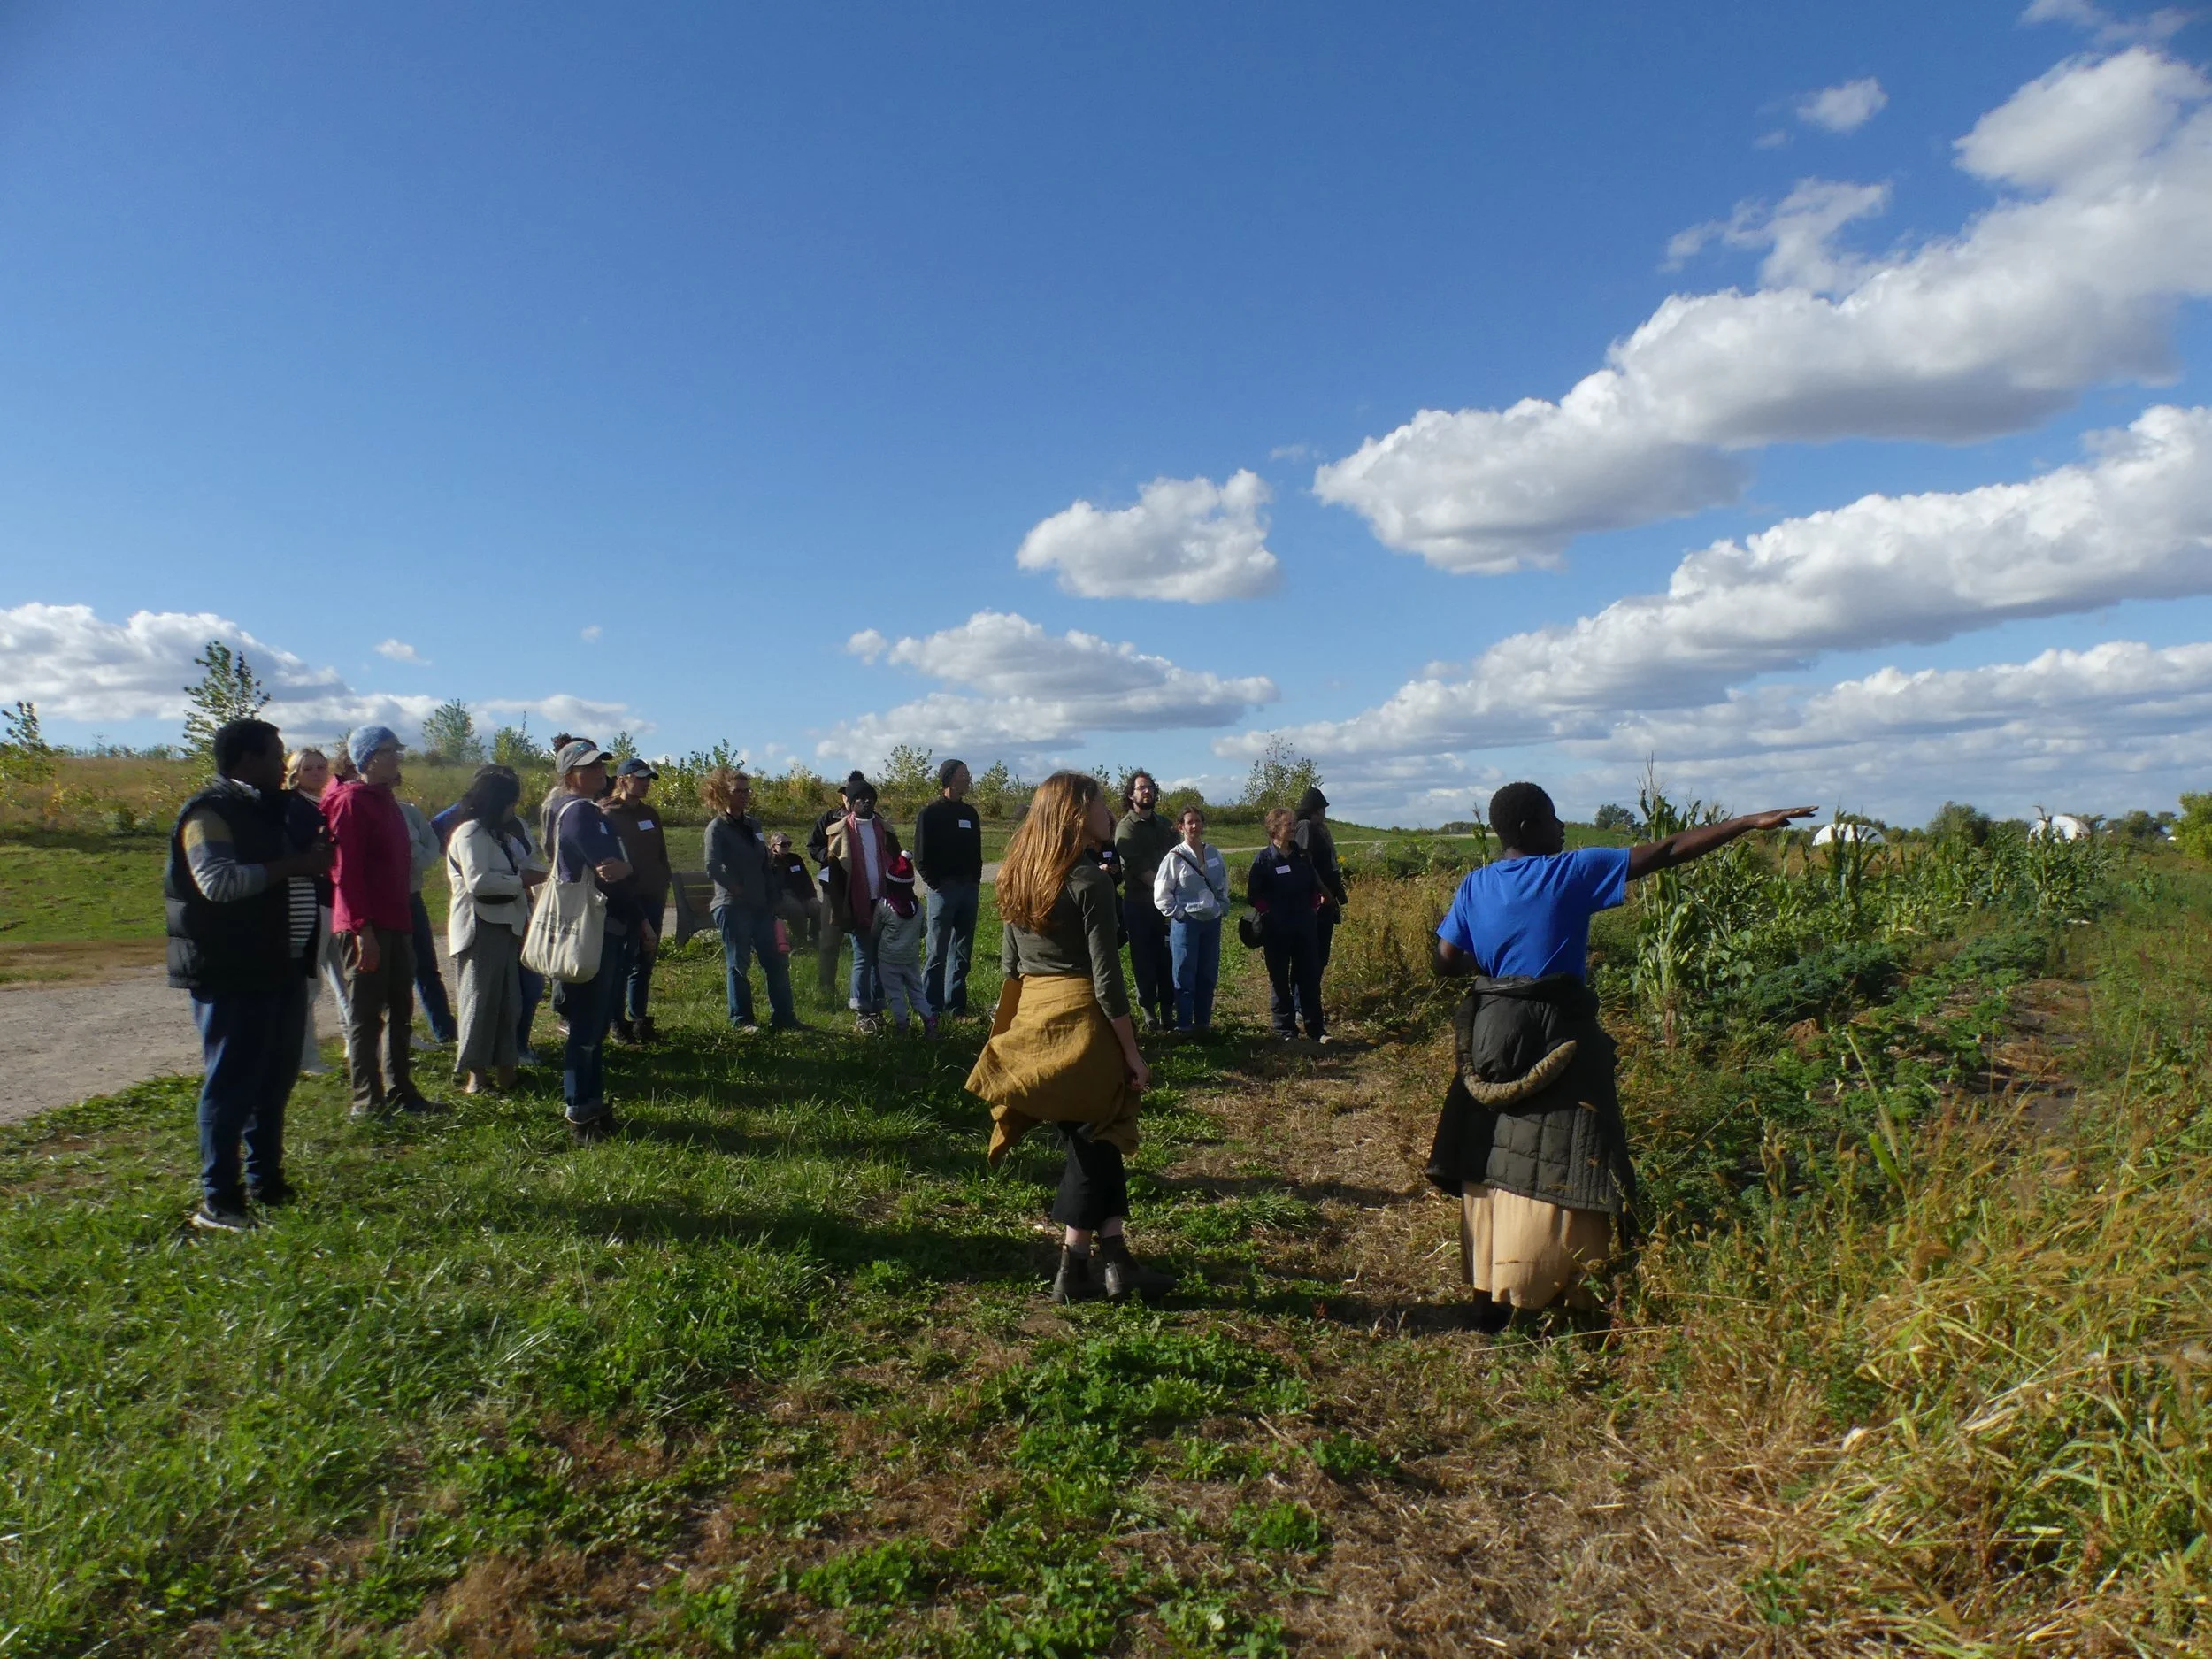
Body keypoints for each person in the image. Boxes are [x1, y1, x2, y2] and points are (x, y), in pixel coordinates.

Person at [1429, 782, 1815, 1332]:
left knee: (1491, 1157)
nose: (1562, 828)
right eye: (1553, 817)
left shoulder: (1475, 884)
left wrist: (1497, 975)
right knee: (1573, 1152)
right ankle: (1560, 1291)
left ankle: (1488, 1292)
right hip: (1555, 1030)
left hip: (1491, 1030)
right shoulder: (1567, 873)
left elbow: (1445, 959)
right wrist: (1746, 822)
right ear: (1527, 827)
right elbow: (1668, 850)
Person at [967, 772, 1166, 1304]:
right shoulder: (1089, 881)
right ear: (1078, 814)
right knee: (1096, 1136)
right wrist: (1131, 1051)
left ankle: (1115, 1261)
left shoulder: (1017, 875)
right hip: (1082, 1022)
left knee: (1091, 1137)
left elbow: (1010, 965)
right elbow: (1106, 980)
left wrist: (1010, 1034)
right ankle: (1074, 1268)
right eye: (1102, 802)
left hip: (1035, 1017)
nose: (1109, 810)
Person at [166, 719, 332, 1231]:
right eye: (275, 754)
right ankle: (220, 1200)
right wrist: (299, 864)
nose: (283, 766)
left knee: (273, 1079)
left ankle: (266, 1182)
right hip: (230, 968)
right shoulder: (210, 812)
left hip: (277, 964)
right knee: (231, 1083)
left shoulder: (265, 808)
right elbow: (218, 882)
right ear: (246, 760)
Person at [325, 726, 437, 1118]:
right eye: (390, 750)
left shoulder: (386, 799)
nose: (398, 757)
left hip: (397, 919)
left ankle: (402, 1090)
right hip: (365, 927)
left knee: (401, 1010)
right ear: (369, 757)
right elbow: (346, 871)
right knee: (366, 1015)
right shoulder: (351, 802)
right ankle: (366, 1102)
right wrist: (363, 931)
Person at [543, 739, 652, 1140]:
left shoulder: (589, 812)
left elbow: (623, 870)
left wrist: (630, 879)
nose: (599, 772)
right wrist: (630, 875)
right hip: (595, 927)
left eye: (600, 765)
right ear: (570, 775)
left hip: (609, 924)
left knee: (594, 1025)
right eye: (588, 767)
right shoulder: (579, 814)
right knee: (587, 1026)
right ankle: (579, 1109)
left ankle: (591, 1102)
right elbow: (610, 871)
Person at [445, 767, 541, 1094]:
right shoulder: (470, 834)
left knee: (508, 1003)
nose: (513, 809)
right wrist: (520, 882)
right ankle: (477, 1078)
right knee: (480, 1001)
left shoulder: (496, 835)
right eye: (509, 802)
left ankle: (507, 1072)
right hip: (480, 927)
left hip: (506, 926)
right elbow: (479, 883)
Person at [702, 767, 802, 1033]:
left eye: (748, 790)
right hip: (733, 906)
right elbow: (712, 866)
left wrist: (774, 897)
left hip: (762, 906)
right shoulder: (717, 829)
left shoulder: (754, 825)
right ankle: (742, 1019)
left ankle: (784, 1018)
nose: (745, 795)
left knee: (776, 962)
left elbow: (764, 864)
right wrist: (736, 889)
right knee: (739, 963)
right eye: (739, 791)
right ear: (724, 793)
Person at [601, 758, 672, 1045]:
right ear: (622, 780)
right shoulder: (606, 813)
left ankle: (639, 1019)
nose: (646, 783)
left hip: (652, 897)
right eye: (640, 778)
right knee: (620, 961)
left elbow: (661, 854)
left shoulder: (650, 814)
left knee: (645, 958)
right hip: (621, 899)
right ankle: (617, 1023)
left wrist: (663, 880)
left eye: (648, 779)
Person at [284, 746, 345, 1076]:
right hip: (311, 899)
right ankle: (306, 1056)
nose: (317, 773)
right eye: (309, 768)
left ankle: (353, 1039)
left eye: (322, 767)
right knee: (310, 982)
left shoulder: (324, 803)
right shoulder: (295, 806)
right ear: (293, 773)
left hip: (334, 898)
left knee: (346, 976)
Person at [823, 775, 901, 1032]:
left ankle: (877, 1008)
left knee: (880, 956)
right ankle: (861, 1011)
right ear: (851, 803)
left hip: (883, 901)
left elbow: (899, 866)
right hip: (856, 903)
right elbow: (835, 879)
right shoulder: (839, 832)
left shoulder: (885, 830)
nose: (867, 803)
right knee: (863, 955)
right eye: (860, 799)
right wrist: (840, 911)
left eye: (871, 799)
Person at [1248, 806, 1326, 1042]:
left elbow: (1314, 887)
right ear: (1274, 828)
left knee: (1309, 978)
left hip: (1305, 928)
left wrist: (1313, 908)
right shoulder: (1263, 860)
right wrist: (1270, 914)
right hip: (1277, 930)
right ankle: (1285, 1030)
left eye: (1293, 824)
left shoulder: (1302, 857)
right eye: (1287, 824)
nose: (1293, 828)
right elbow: (1254, 895)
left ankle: (1316, 1029)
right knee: (1279, 979)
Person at [913, 757, 983, 1020]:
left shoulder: (970, 814)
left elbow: (977, 852)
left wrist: (975, 881)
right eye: (964, 774)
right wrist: (935, 884)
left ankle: (956, 1008)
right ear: (950, 777)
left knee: (962, 953)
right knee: (936, 953)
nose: (969, 778)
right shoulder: (930, 814)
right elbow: (920, 856)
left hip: (968, 890)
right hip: (943, 891)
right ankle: (930, 1009)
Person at [1152, 805, 1229, 1033]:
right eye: (1189, 822)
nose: (1194, 825)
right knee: (1185, 973)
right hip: (1186, 924)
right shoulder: (1175, 857)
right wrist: (1178, 913)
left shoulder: (1214, 853)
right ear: (1181, 827)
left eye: (1198, 821)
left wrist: (1221, 906)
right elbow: (1161, 892)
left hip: (1212, 921)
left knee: (1208, 972)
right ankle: (1184, 1026)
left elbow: (1223, 883)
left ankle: (1203, 1023)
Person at [1113, 772, 1177, 1031]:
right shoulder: (1125, 828)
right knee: (1144, 958)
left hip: (1169, 904)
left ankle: (1168, 1011)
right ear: (1131, 795)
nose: (1147, 791)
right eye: (1141, 788)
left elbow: (1178, 858)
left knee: (1168, 957)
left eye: (1149, 787)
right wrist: (1169, 892)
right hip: (1140, 904)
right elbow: (1140, 870)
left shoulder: (1165, 825)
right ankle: (1148, 1010)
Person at [397, 782, 458, 1049]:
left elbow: (431, 841)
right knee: (395, 973)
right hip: (382, 902)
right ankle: (399, 1034)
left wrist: (414, 858)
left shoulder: (408, 811)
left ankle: (444, 1030)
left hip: (412, 895)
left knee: (427, 967)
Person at [810, 771, 867, 1002]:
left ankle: (863, 992)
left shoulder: (871, 819)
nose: (847, 798)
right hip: (833, 888)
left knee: (864, 942)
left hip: (861, 888)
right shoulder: (829, 818)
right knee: (829, 941)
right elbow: (813, 846)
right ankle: (826, 988)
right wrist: (831, 856)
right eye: (845, 794)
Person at [1293, 787, 1348, 978]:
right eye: (1322, 809)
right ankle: (1303, 1004)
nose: (1324, 814)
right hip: (1316, 901)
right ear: (1316, 810)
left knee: (1320, 955)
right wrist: (1322, 891)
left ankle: (1312, 1001)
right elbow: (1305, 863)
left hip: (1326, 900)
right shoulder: (1305, 826)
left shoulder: (1319, 829)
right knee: (1310, 955)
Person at [875, 853, 932, 1034]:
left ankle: (902, 1025)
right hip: (911, 958)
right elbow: (924, 932)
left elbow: (875, 931)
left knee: (895, 994)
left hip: (888, 959)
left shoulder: (884, 906)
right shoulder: (918, 907)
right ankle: (929, 1020)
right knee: (917, 990)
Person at [768, 831, 820, 945]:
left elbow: (807, 879)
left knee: (819, 908)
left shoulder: (795, 858)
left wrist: (812, 896)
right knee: (796, 910)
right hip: (781, 896)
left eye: (789, 844)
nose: (787, 847)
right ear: (773, 846)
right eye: (783, 844)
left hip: (800, 894)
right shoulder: (768, 861)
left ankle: (814, 937)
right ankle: (801, 940)